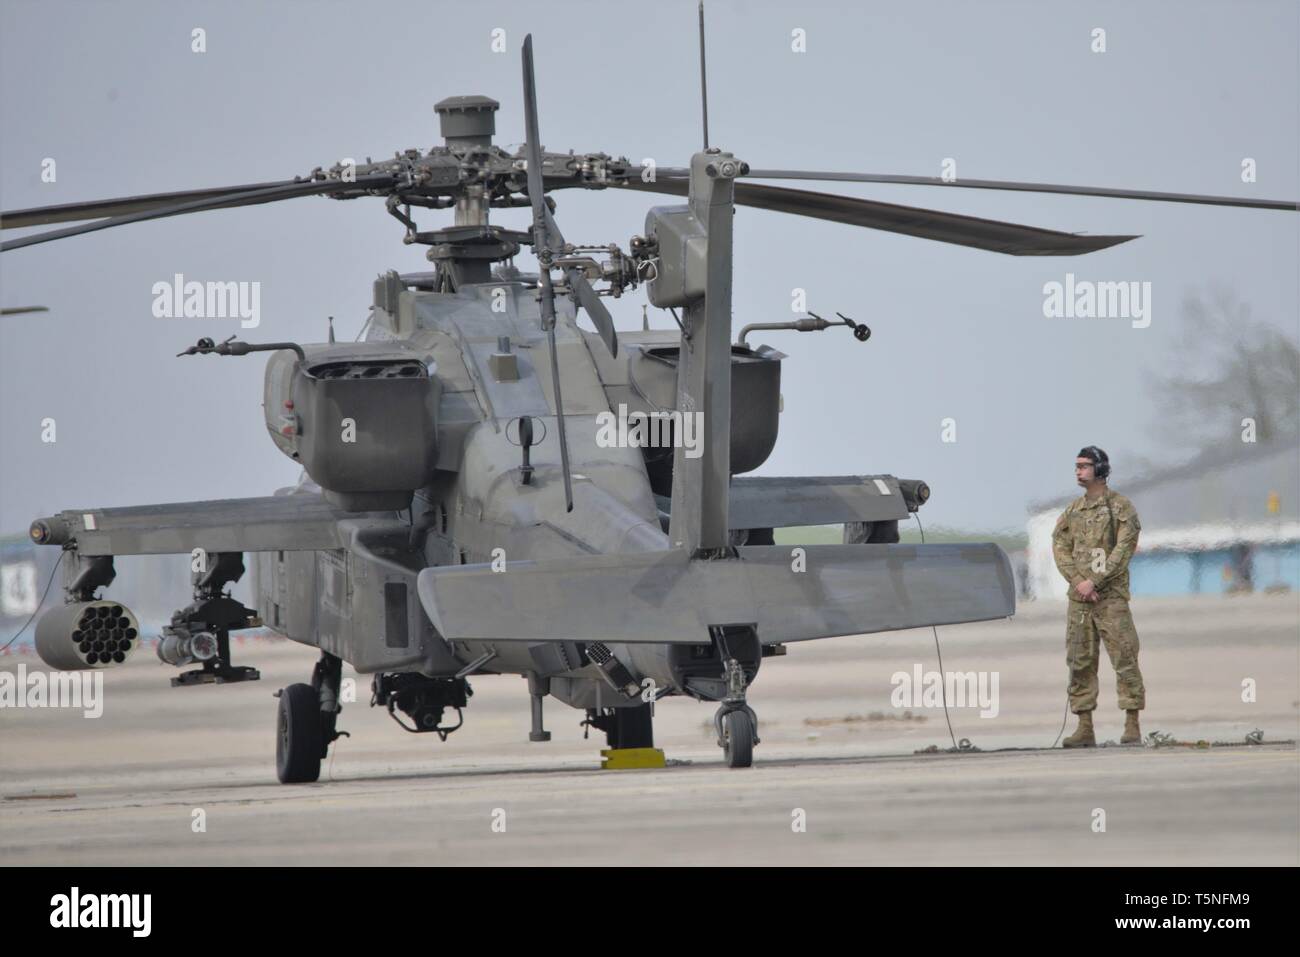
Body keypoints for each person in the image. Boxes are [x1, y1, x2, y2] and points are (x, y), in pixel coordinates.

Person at [1051, 446, 1146, 747]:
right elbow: (1059, 546)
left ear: (1100, 469)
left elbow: (1123, 549)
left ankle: (1132, 723)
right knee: (1079, 661)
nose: (1078, 471)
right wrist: (1079, 581)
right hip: (1080, 601)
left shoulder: (1121, 507)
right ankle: (1084, 726)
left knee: (1125, 657)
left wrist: (1095, 580)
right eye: (1076, 466)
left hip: (1111, 598)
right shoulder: (1072, 511)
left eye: (1085, 466)